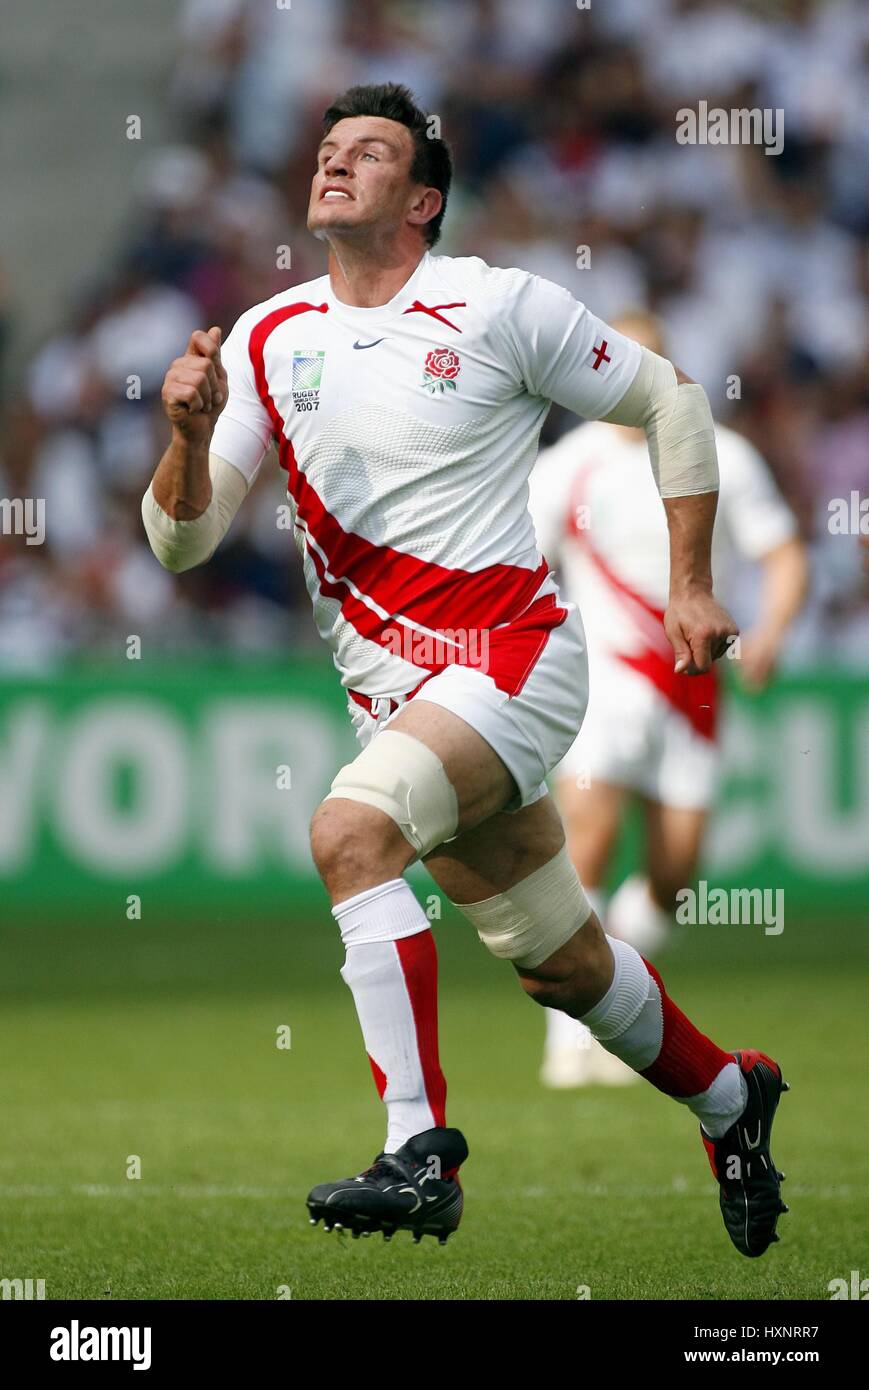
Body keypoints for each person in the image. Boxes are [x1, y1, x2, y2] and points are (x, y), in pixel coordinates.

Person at [142, 83, 789, 1256]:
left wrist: (690, 583)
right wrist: (186, 436)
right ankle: (730, 1102)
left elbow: (671, 401)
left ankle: (415, 1148)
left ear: (422, 197)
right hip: (394, 689)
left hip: (514, 658)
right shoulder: (263, 335)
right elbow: (180, 540)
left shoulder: (494, 307)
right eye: (329, 147)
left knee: (349, 834)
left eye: (370, 153)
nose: (335, 162)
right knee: (563, 965)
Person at [531, 311, 808, 1089]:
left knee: (674, 874)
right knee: (586, 836)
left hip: (692, 686)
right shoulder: (568, 466)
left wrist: (773, 629)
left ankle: (613, 985)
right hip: (601, 680)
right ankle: (568, 1038)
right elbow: (520, 566)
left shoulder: (721, 452)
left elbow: (781, 554)